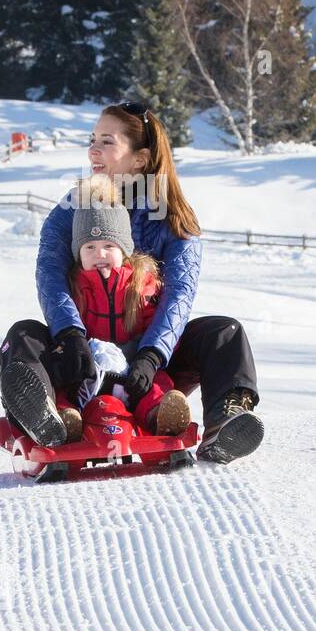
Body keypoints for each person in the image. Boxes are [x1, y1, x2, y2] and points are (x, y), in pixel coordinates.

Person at [0, 103, 263, 464]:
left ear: (139, 159)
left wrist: (151, 356)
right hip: (83, 359)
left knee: (225, 333)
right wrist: (71, 335)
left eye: (106, 141)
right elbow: (50, 275)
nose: (93, 150)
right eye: (92, 139)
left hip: (149, 366)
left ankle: (225, 421)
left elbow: (179, 295)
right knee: (22, 336)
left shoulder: (172, 218)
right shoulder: (75, 206)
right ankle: (46, 417)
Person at [50, 182, 191, 442]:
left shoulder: (142, 284)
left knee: (157, 384)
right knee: (65, 389)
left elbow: (159, 327)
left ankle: (160, 416)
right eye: (89, 247)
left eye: (109, 246)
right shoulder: (73, 288)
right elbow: (63, 324)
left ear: (124, 249)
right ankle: (67, 420)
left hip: (132, 371)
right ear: (78, 253)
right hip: (90, 371)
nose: (99, 254)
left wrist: (147, 360)